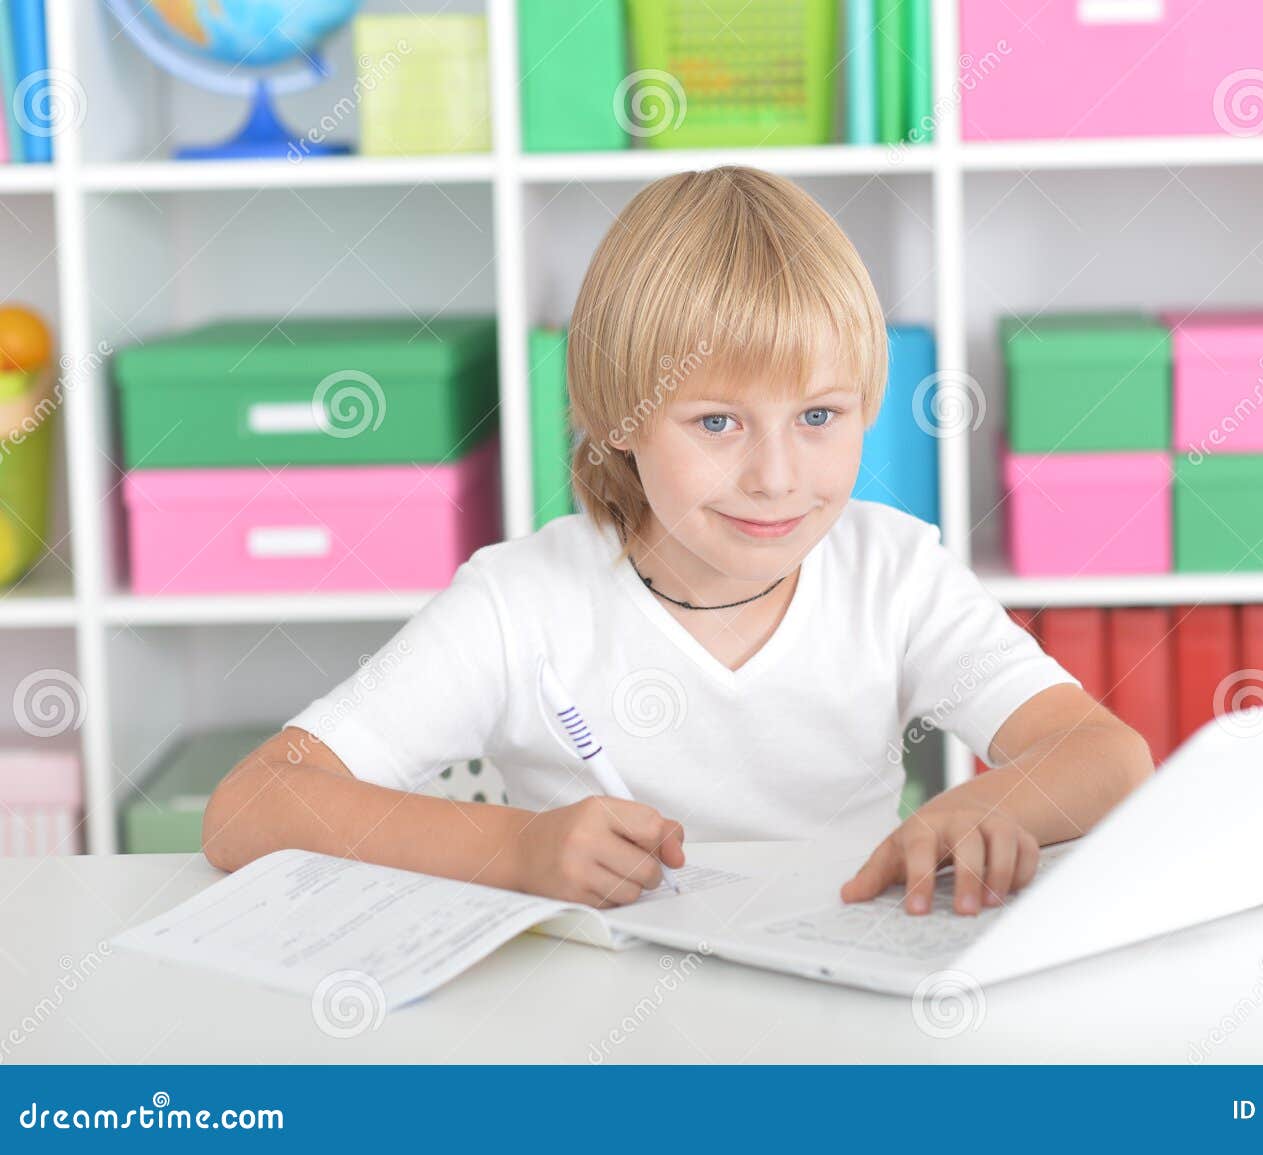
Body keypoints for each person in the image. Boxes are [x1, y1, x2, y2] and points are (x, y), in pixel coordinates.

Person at [202, 166, 1154, 919]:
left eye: (819, 415)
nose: (776, 476)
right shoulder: (519, 601)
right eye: (717, 423)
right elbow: (252, 806)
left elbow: (1106, 755)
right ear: (617, 418)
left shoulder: (895, 572)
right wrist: (518, 850)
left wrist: (988, 804)